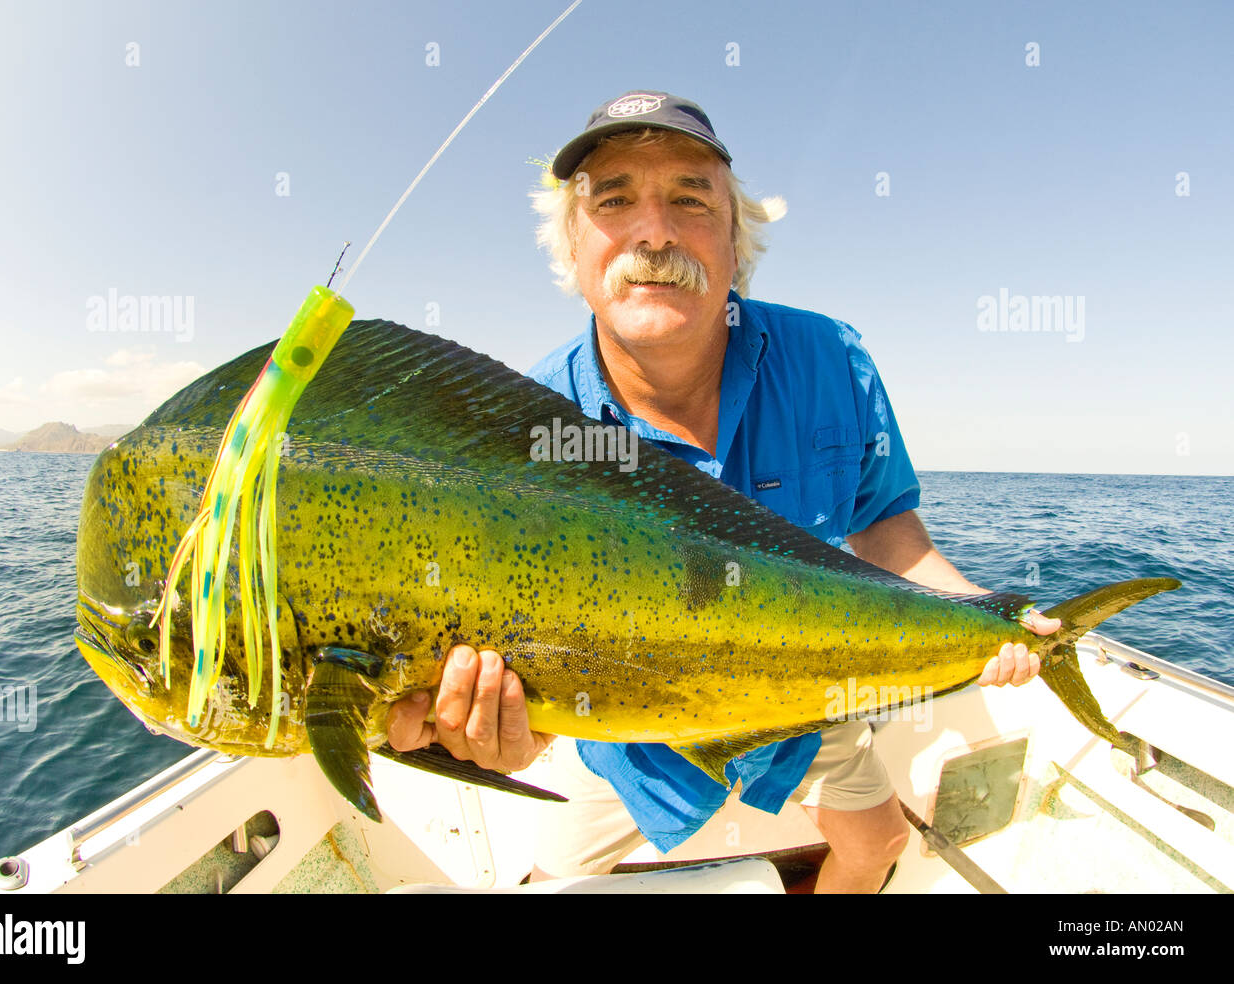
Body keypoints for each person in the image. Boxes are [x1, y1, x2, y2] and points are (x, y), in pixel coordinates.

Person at [387, 90, 1059, 892]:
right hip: (632, 730)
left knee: (878, 849)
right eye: (615, 200)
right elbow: (511, 650)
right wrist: (508, 737)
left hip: (802, 705)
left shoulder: (831, 359)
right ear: (575, 247)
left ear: (735, 241)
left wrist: (983, 617)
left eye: (690, 199)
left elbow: (885, 530)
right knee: (552, 880)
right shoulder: (527, 426)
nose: (656, 231)